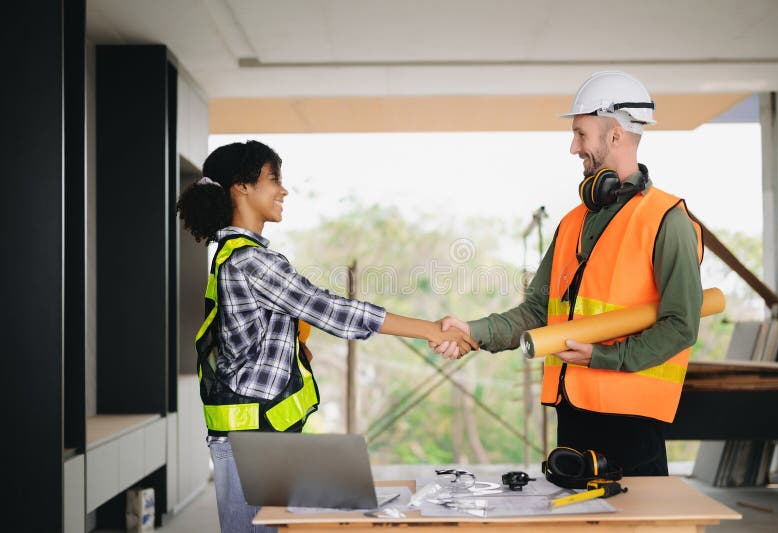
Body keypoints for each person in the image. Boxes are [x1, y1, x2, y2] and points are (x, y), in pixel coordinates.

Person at [176, 140, 477, 533]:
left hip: (258, 439)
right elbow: (331, 310)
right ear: (242, 187)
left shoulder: (233, 255)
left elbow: (251, 340)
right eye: (274, 179)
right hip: (252, 445)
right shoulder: (250, 260)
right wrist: (432, 330)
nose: (283, 190)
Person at [432, 71, 703, 477]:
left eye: (580, 134)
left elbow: (681, 325)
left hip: (630, 424)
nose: (573, 147)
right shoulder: (573, 222)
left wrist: (603, 357)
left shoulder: (666, 220)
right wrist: (474, 331)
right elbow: (539, 310)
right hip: (573, 415)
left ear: (616, 135)